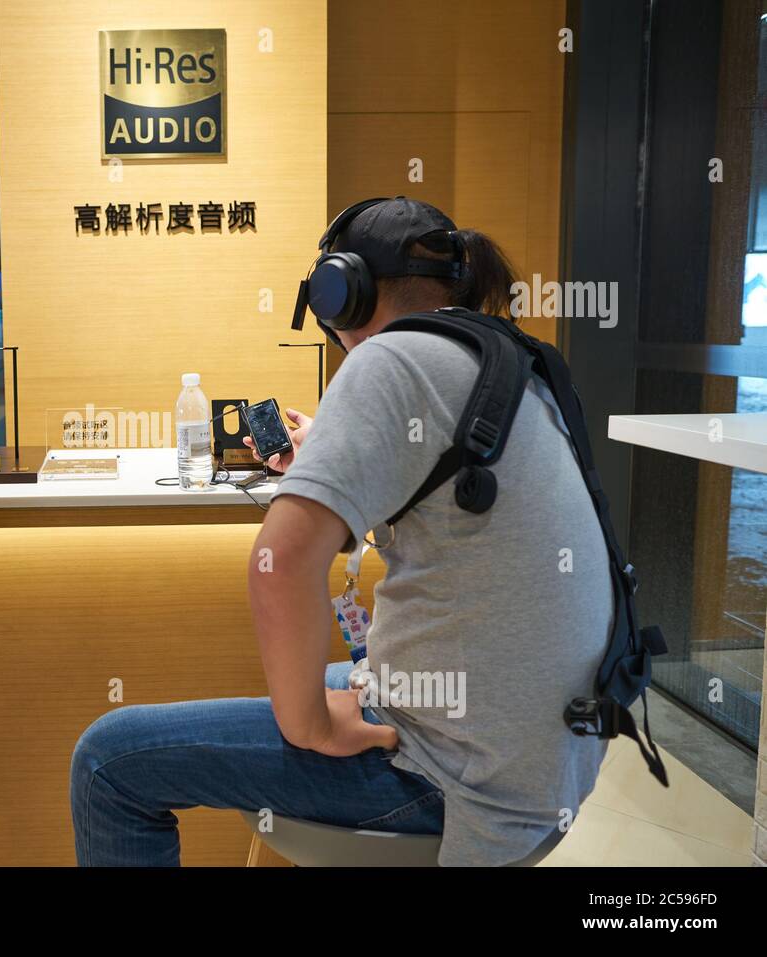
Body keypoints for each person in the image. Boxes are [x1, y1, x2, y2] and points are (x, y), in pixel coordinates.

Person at [70, 197, 611, 866]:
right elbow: (449, 511)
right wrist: (328, 466)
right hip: (544, 761)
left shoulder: (392, 357)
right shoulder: (510, 359)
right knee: (309, 676)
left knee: (108, 758)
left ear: (339, 292)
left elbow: (281, 560)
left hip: (456, 776)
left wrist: (313, 725)